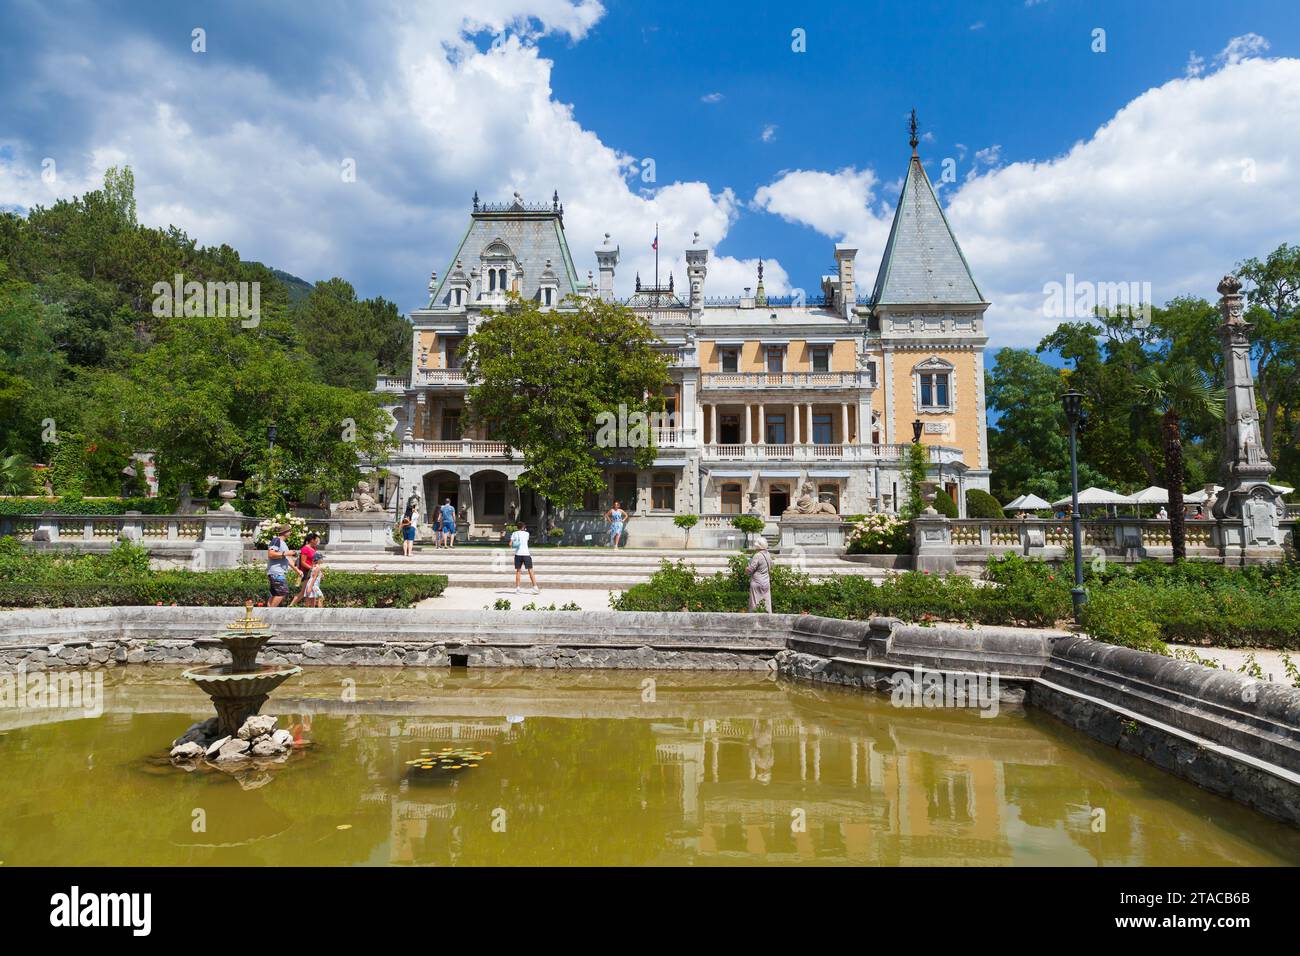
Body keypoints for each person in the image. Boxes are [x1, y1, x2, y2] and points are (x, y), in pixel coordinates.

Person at [266, 524, 300, 607]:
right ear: (285, 532)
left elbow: (287, 559)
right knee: (282, 592)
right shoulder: (276, 540)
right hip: (276, 573)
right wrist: (286, 553)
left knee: (275, 594)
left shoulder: (283, 543)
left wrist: (298, 570)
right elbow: (271, 554)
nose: (291, 532)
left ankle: (267, 612)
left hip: (278, 573)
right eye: (289, 531)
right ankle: (271, 612)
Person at [288, 531, 320, 607]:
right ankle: (290, 606)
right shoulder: (305, 549)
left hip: (313, 572)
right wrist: (312, 569)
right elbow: (303, 562)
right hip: (307, 573)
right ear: (312, 540)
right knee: (304, 592)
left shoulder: (314, 548)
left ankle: (310, 607)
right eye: (316, 540)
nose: (318, 541)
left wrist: (318, 570)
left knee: (312, 591)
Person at [510, 520, 539, 594]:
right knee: (530, 570)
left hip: (518, 554)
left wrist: (514, 544)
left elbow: (510, 544)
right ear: (523, 527)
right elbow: (526, 540)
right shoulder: (527, 534)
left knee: (518, 571)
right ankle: (535, 587)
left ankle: (517, 589)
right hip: (526, 554)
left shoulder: (514, 533)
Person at [745, 538, 773, 613]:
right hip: (766, 581)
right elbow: (771, 566)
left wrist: (746, 569)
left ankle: (753, 619)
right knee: (767, 603)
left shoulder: (757, 555)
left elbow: (751, 569)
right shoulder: (768, 554)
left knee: (754, 603)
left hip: (757, 582)